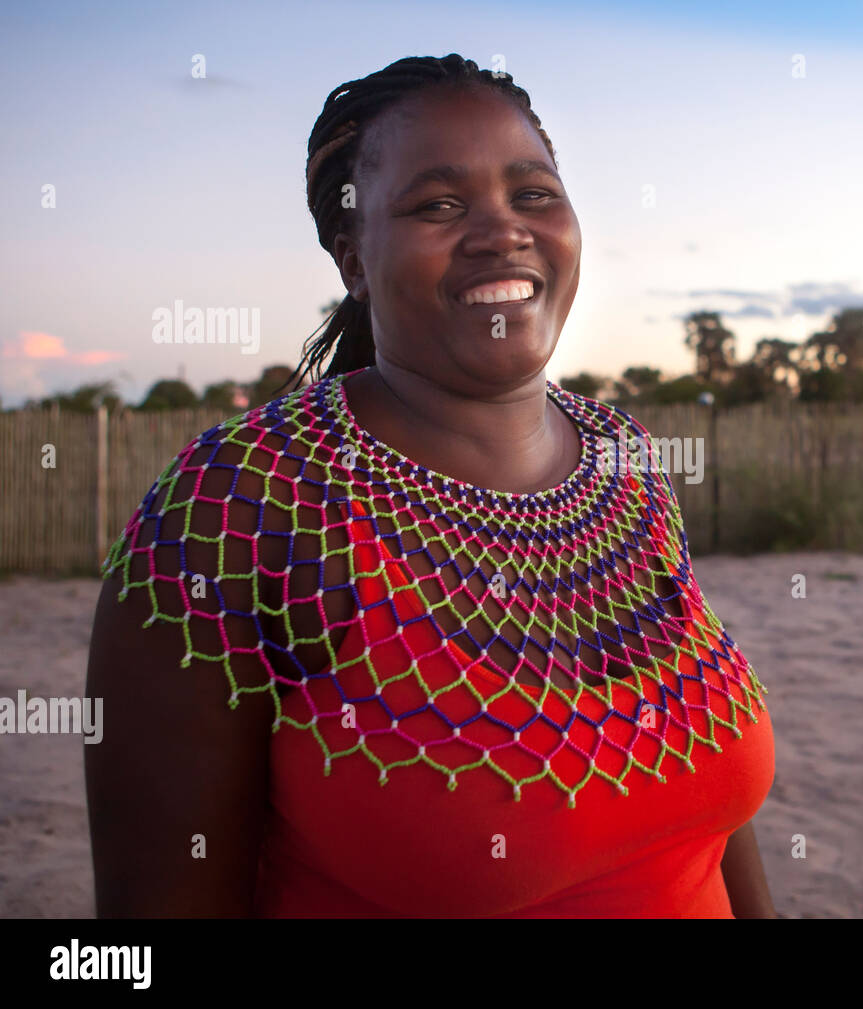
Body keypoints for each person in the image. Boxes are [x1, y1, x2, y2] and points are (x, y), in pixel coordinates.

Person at [84, 54, 776, 918]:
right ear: (353, 258)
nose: (503, 231)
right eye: (438, 205)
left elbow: (708, 823)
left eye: (533, 194)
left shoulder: (623, 460)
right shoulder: (240, 505)